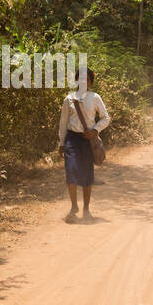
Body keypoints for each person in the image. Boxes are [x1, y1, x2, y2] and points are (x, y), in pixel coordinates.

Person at [58, 67, 110, 222]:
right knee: (71, 170)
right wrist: (61, 143)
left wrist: (95, 130)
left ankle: (86, 210)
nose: (83, 82)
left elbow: (106, 118)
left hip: (88, 140)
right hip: (72, 139)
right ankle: (74, 207)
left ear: (90, 82)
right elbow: (63, 123)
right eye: (80, 79)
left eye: (86, 79)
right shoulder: (69, 99)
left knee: (87, 175)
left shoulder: (95, 98)